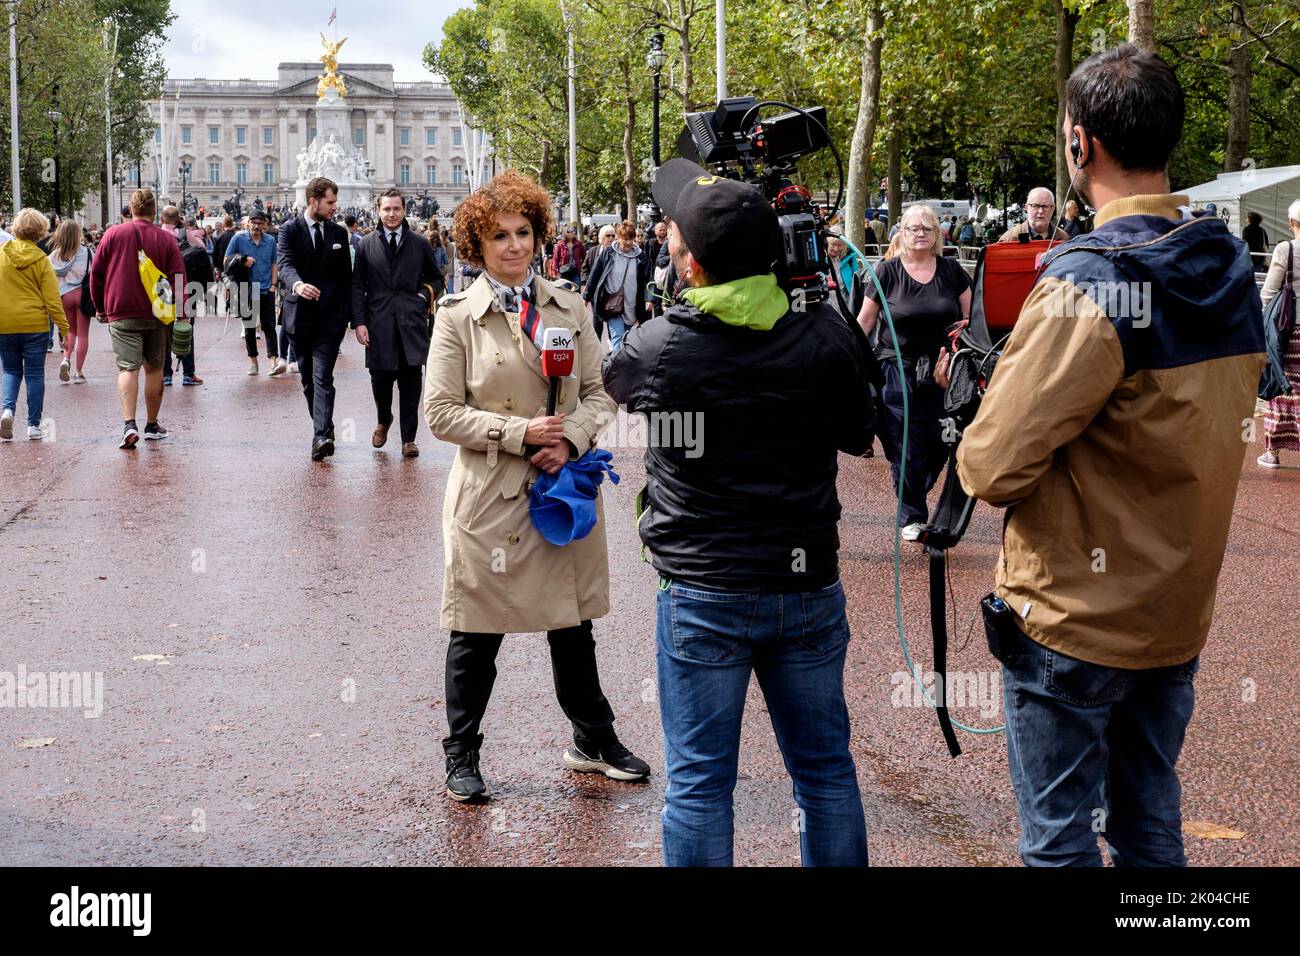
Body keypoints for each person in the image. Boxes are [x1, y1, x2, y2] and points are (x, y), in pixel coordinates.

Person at [954, 44, 1265, 867]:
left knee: (1059, 844)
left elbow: (989, 467)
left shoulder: (1089, 284)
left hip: (1074, 622)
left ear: (1078, 144)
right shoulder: (1230, 267)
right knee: (1150, 828)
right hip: (1174, 614)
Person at [603, 159, 874, 867]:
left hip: (704, 590)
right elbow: (859, 430)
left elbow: (620, 380)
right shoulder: (824, 338)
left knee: (698, 783)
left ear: (690, 265)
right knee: (824, 772)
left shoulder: (660, 348)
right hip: (805, 586)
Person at [422, 169, 649, 803]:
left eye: (524, 233)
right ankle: (461, 751)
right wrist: (520, 433)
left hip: (562, 490)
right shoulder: (456, 317)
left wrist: (569, 437)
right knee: (476, 632)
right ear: (477, 245)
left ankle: (592, 738)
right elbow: (439, 413)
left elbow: (604, 392)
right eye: (500, 237)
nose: (515, 246)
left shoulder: (569, 306)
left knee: (571, 624)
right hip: (490, 495)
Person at [856, 203, 971, 539]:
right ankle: (913, 517)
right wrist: (847, 357)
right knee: (905, 438)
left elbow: (971, 318)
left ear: (937, 234)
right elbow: (866, 320)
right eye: (913, 228)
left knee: (939, 441)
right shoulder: (887, 271)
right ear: (901, 234)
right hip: (896, 367)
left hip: (941, 368)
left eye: (927, 228)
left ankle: (912, 484)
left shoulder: (951, 271)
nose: (920, 233)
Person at [89, 188, 185, 449]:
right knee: (154, 368)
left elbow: (96, 274)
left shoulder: (113, 234)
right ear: (154, 211)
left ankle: (129, 424)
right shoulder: (166, 240)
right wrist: (182, 313)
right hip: (156, 312)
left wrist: (100, 307)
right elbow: (178, 278)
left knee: (127, 368)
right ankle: (152, 425)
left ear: (131, 210)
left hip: (121, 309)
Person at [352, 189, 443, 458]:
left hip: (411, 322)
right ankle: (383, 419)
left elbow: (437, 278)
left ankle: (409, 439)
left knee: (411, 382)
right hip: (379, 323)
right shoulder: (366, 244)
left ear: (404, 211)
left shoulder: (419, 243)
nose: (391, 214)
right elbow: (357, 286)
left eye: (396, 209)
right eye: (386, 209)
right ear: (378, 211)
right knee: (380, 381)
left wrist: (423, 296)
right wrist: (358, 322)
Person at [277, 177, 353, 460]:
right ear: (313, 201)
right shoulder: (289, 230)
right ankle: (325, 426)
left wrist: (352, 316)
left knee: (323, 377)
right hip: (300, 317)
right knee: (308, 380)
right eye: (330, 202)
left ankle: (320, 436)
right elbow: (285, 264)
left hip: (330, 318)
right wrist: (298, 285)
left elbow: (347, 277)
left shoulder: (338, 233)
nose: (335, 207)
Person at [0, 208, 68, 441]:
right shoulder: (41, 260)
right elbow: (52, 298)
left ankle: (7, 410)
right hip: (34, 325)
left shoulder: (1, 254)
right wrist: (63, 328)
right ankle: (33, 426)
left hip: (5, 322)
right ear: (40, 231)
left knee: (9, 370)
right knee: (34, 375)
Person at [1257, 199, 1300, 468]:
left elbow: (1269, 292)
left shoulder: (1287, 249)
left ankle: (1272, 452)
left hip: (1290, 330)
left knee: (1282, 385)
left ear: (1292, 223)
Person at [225, 206, 283, 377]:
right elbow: (226, 261)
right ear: (248, 223)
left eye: (260, 223)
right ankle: (253, 361)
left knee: (269, 326)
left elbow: (274, 263)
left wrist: (273, 284)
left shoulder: (271, 241)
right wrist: (242, 260)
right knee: (249, 327)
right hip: (246, 288)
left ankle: (272, 361)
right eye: (253, 223)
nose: (256, 226)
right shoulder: (237, 239)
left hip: (265, 288)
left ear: (264, 225)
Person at [158, 205, 206, 386]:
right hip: (185, 286)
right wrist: (186, 230)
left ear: (161, 219)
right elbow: (201, 249)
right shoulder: (186, 235)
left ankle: (166, 375)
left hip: (162, 288)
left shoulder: (157, 235)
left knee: (164, 333)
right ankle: (188, 373)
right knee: (186, 331)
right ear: (178, 219)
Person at [583, 219, 645, 352]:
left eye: (630, 239)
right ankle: (616, 369)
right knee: (617, 337)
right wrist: (586, 297)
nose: (628, 242)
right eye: (625, 239)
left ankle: (621, 365)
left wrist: (650, 300)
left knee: (628, 339)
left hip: (631, 305)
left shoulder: (640, 257)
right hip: (612, 304)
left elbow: (647, 280)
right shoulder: (608, 253)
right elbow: (595, 274)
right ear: (619, 237)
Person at [48, 220, 92, 384]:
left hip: (64, 296)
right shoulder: (87, 252)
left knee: (70, 331)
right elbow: (94, 273)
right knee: (83, 334)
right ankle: (79, 372)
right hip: (82, 295)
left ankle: (66, 359)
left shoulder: (53, 256)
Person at [999, 187, 1071, 242]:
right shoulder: (1009, 239)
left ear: (1052, 209)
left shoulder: (1064, 239)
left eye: (1045, 206)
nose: (1040, 211)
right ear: (1027, 207)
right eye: (1035, 206)